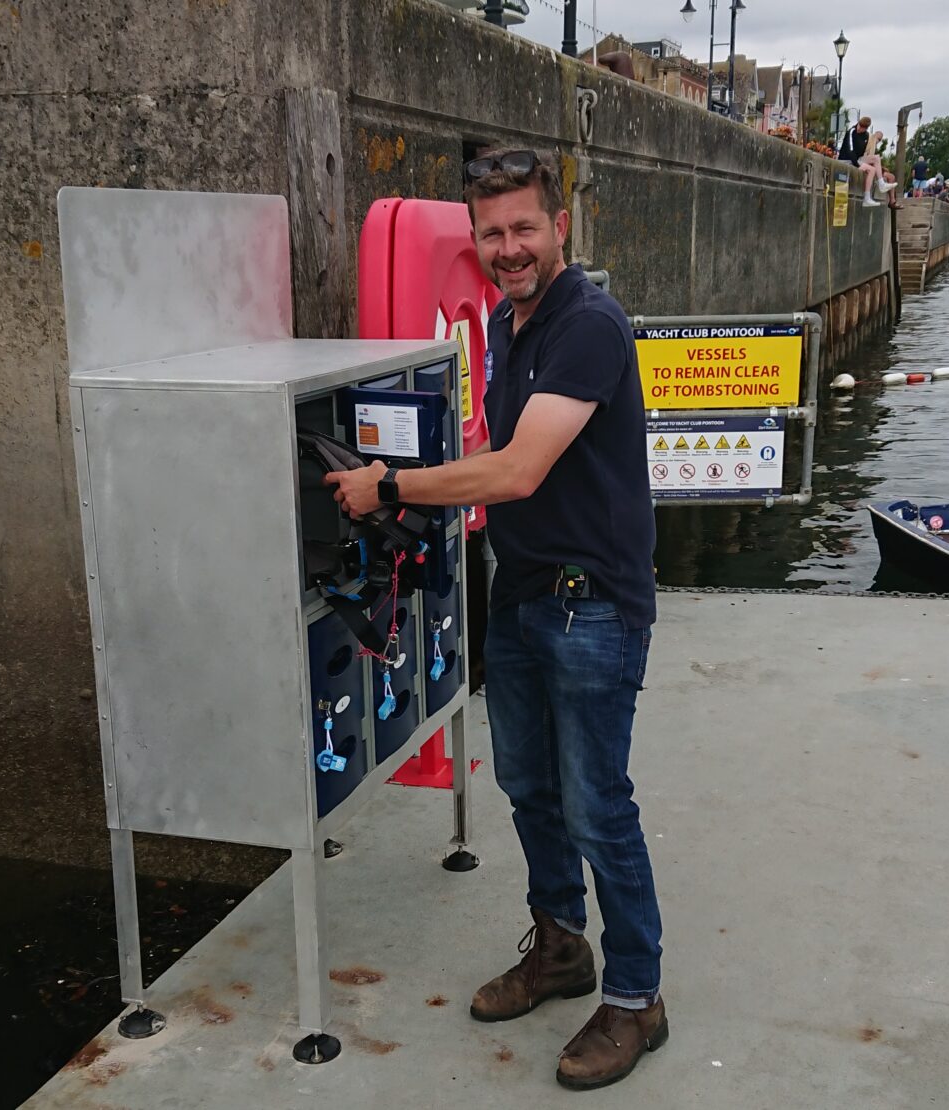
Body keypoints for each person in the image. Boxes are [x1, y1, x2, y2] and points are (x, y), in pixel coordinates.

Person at [325, 148, 665, 1091]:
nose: (509, 248)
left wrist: (388, 483)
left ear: (561, 227)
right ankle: (561, 948)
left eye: (524, 228)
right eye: (491, 234)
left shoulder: (588, 323)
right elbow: (496, 449)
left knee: (600, 804)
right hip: (520, 594)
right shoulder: (515, 323)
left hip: (592, 605)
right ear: (472, 242)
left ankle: (638, 998)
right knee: (527, 784)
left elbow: (517, 470)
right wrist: (427, 475)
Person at [860, 130, 897, 207]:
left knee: (891, 177)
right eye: (878, 139)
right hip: (865, 163)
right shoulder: (871, 141)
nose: (878, 141)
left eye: (879, 140)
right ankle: (884, 188)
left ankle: (892, 199)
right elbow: (867, 156)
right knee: (889, 175)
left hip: (871, 165)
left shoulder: (872, 143)